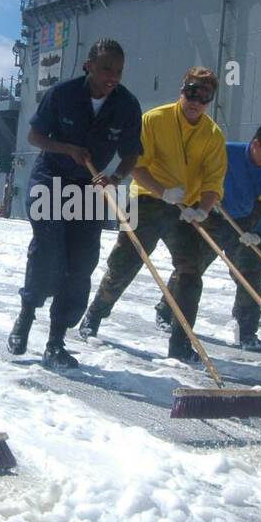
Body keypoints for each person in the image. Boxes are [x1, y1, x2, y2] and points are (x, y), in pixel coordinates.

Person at [8, 38, 143, 369]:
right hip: (51, 180)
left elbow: (131, 154)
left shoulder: (126, 105)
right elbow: (35, 138)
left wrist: (116, 177)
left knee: (81, 263)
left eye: (119, 71)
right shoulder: (62, 94)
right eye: (106, 69)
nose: (112, 77)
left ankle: (56, 341)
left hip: (91, 189)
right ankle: (26, 314)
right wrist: (67, 149)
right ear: (89, 66)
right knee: (48, 249)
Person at [79, 66, 227, 362]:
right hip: (147, 201)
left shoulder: (213, 135)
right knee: (123, 266)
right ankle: (95, 315)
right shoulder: (154, 120)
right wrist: (162, 191)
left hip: (185, 209)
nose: (196, 100)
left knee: (191, 272)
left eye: (204, 95)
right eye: (191, 92)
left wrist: (201, 210)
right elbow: (136, 164)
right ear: (182, 90)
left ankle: (181, 343)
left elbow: (213, 180)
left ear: (210, 99)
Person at [155, 122, 261, 351]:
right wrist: (199, 198)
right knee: (192, 267)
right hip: (213, 215)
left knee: (252, 275)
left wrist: (259, 233)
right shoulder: (226, 151)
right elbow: (197, 171)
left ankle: (247, 331)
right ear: (255, 143)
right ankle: (167, 310)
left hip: (245, 220)